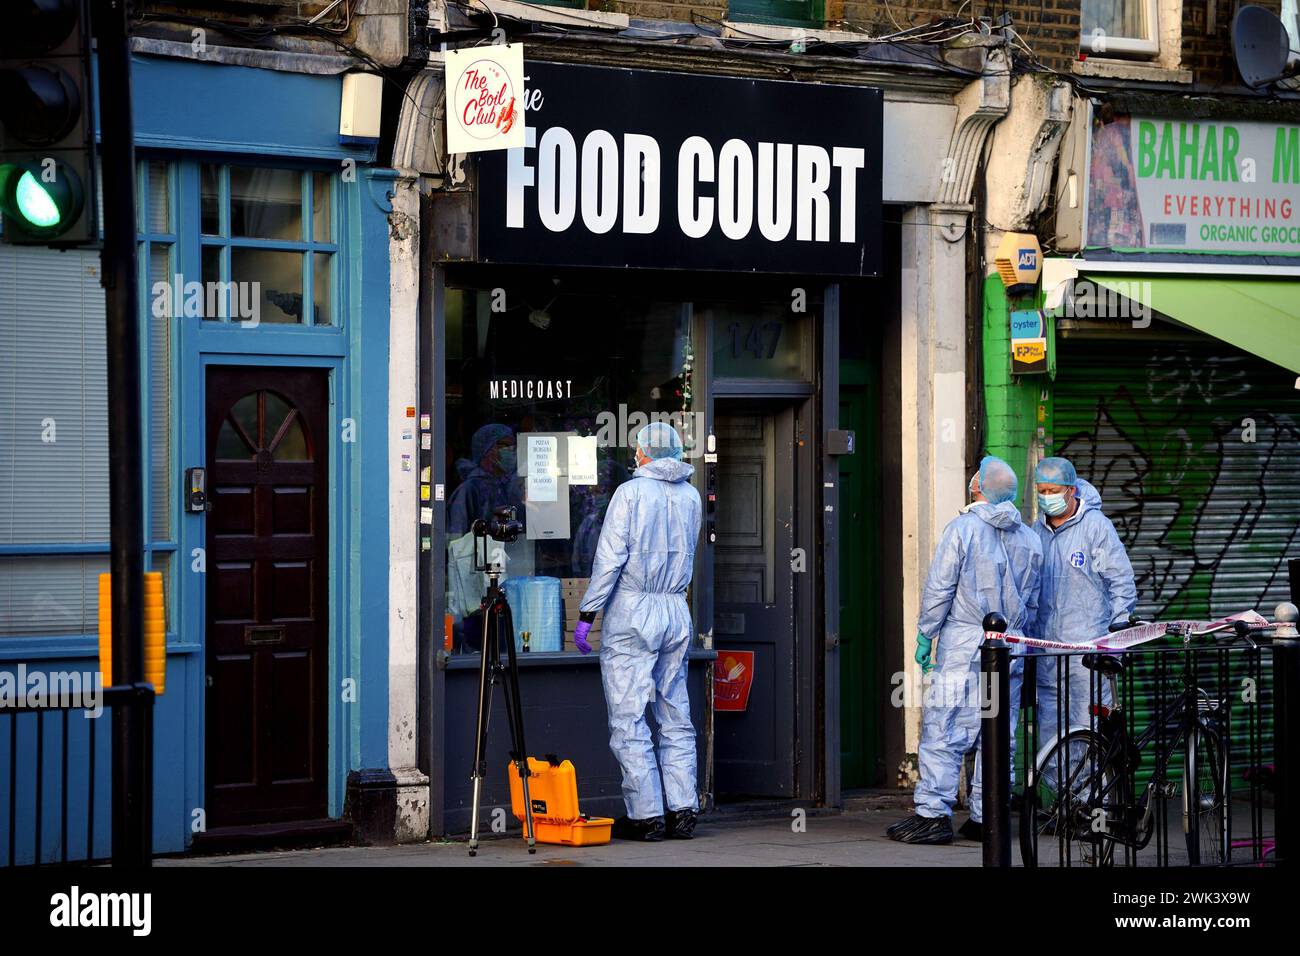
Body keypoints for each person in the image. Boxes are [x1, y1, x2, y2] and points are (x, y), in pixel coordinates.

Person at [888, 456, 1042, 845]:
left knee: (944, 730)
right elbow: (1034, 601)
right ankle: (986, 815)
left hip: (963, 649)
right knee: (996, 733)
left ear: (978, 489)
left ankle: (932, 815)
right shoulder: (1029, 538)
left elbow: (940, 588)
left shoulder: (962, 530)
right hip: (1009, 649)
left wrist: (926, 634)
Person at [574, 422, 703, 842]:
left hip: (633, 610)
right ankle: (683, 807)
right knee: (675, 712)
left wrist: (588, 613)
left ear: (646, 452)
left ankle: (647, 814)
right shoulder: (691, 495)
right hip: (674, 608)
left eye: (636, 449)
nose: (634, 455)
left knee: (629, 717)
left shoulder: (629, 494)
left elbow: (610, 558)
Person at [1032, 456, 1137, 737]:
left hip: (1087, 654)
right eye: (1041, 491)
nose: (1046, 497)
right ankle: (1059, 784)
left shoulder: (1095, 528)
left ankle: (1095, 783)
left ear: (1071, 490)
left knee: (1089, 732)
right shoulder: (1036, 531)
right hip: (1048, 653)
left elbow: (1120, 581)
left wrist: (1117, 633)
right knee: (1051, 736)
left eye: (1053, 491)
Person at [447, 424, 523, 535]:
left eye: (514, 446)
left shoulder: (507, 487)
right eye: (506, 445)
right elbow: (456, 538)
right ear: (488, 450)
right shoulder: (469, 490)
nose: (513, 451)